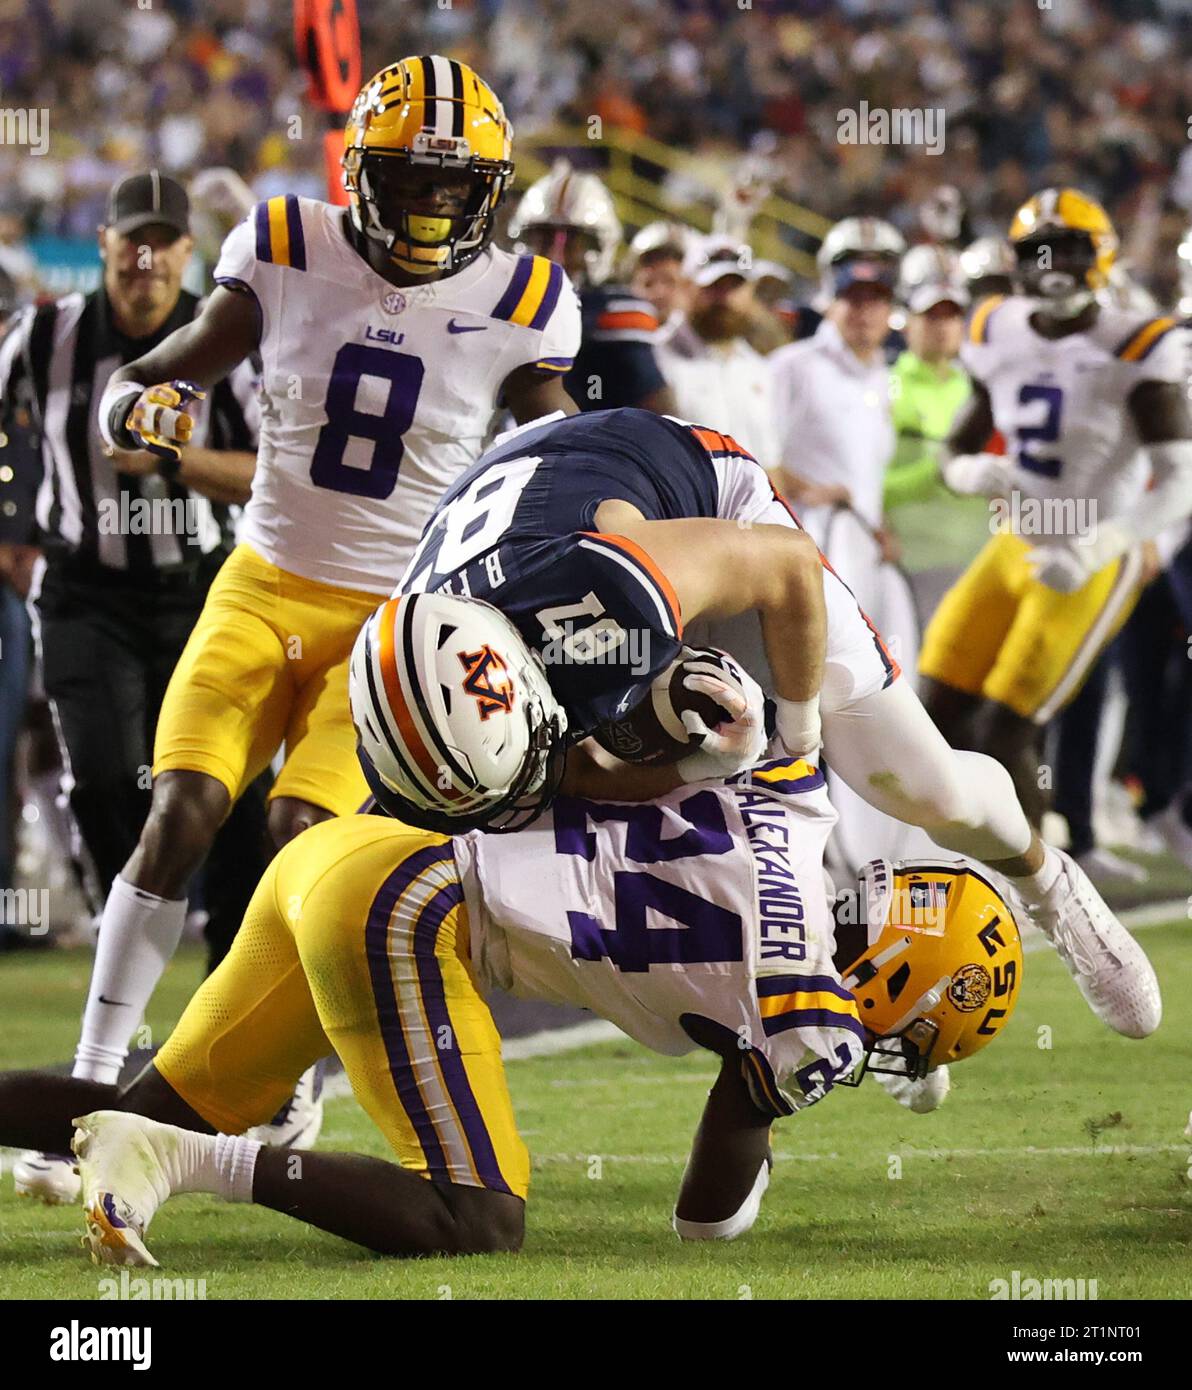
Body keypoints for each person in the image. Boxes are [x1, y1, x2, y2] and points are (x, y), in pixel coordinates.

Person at [25, 58, 579, 1195]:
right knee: (176, 810)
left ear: (487, 191)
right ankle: (89, 1086)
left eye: (450, 187)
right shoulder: (284, 244)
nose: (430, 208)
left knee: (296, 833)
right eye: (410, 183)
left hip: (391, 624)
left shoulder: (524, 301)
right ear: (357, 175)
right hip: (262, 580)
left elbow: (558, 446)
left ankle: (280, 1082)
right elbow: (162, 371)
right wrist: (145, 399)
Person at [0, 731, 1022, 1263]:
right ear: (906, 984)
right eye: (921, 1037)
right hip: (410, 908)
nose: (905, 1053)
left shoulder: (791, 795)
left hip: (353, 846)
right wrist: (768, 1095)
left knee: (143, 1101)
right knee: (476, 1219)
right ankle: (189, 1164)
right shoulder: (813, 1023)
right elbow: (707, 1223)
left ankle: (159, 1137)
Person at [381, 405, 1159, 1041]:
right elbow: (564, 774)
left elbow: (783, 562)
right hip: (553, 528)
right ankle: (828, 984)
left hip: (701, 511)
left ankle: (1050, 886)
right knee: (660, 788)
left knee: (923, 789)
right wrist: (691, 768)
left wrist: (799, 738)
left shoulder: (607, 595)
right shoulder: (405, 674)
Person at [0, 172, 274, 1197]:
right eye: (133, 240)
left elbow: (271, 469)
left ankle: (228, 1051)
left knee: (236, 813)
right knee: (114, 784)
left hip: (205, 592)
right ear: (106, 242)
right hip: (83, 595)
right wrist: (15, 522)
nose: (147, 259)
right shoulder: (43, 336)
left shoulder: (225, 337)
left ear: (185, 250)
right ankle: (133, 1003)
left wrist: (180, 462)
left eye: (166, 243)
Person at [919, 189, 1192, 843]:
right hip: (1015, 542)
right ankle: (970, 866)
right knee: (933, 714)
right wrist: (966, 471)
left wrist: (1101, 547)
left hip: (1092, 555)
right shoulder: (997, 327)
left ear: (1099, 256)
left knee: (1004, 730)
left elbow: (1183, 478)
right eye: (1039, 250)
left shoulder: (1138, 341)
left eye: (1069, 247)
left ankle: (1038, 886)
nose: (1054, 264)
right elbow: (955, 448)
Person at [769, 217, 904, 617]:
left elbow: (865, 471)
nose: (864, 311)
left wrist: (881, 525)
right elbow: (750, 456)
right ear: (830, 297)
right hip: (803, 553)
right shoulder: (791, 366)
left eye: (876, 298)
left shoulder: (884, 377)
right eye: (853, 298)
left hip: (860, 556)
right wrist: (805, 489)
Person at [507, 161, 675, 413]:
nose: (556, 255)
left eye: (571, 240)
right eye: (544, 237)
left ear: (599, 246)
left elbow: (660, 413)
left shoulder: (616, 310)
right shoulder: (505, 298)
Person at [884, 245, 988, 571]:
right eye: (931, 315)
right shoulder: (885, 387)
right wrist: (937, 473)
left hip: (977, 560)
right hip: (910, 562)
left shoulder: (980, 390)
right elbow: (865, 484)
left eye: (952, 315)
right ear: (907, 320)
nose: (943, 326)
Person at [655, 235, 780, 462]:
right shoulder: (656, 357)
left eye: (735, 286)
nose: (725, 298)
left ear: (751, 291)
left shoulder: (758, 368)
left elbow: (769, 462)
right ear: (686, 286)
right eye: (714, 286)